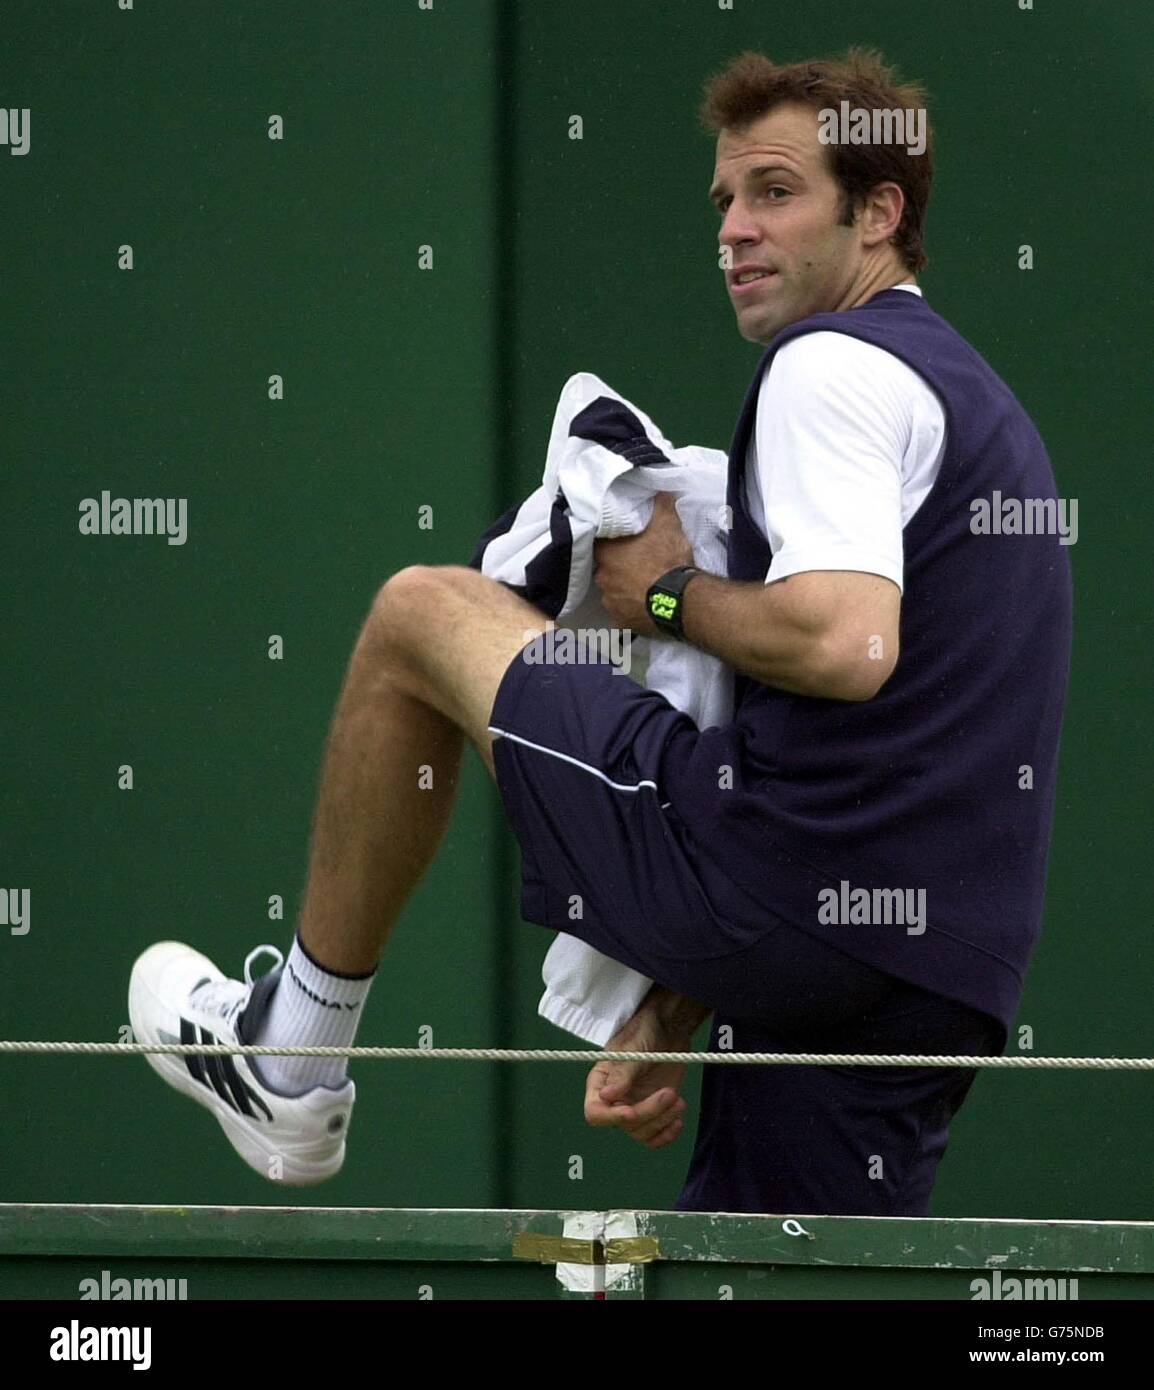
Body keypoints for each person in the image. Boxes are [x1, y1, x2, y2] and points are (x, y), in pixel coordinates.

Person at [129, 48, 1072, 1213]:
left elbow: (845, 645)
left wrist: (663, 594)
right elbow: (882, 758)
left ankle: (289, 1060)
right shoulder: (981, 407)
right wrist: (675, 998)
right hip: (932, 980)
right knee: (765, 1281)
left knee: (418, 615)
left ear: (878, 213)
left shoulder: (828, 365)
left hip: (781, 902)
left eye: (774, 193)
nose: (733, 227)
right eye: (723, 200)